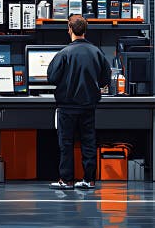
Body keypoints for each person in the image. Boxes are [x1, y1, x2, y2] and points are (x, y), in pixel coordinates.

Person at [47, 15, 111, 190]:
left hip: (67, 106)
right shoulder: (97, 52)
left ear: (69, 29)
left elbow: (52, 78)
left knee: (66, 143)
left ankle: (66, 180)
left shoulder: (64, 53)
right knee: (88, 142)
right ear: (85, 30)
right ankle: (89, 180)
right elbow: (106, 78)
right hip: (88, 106)